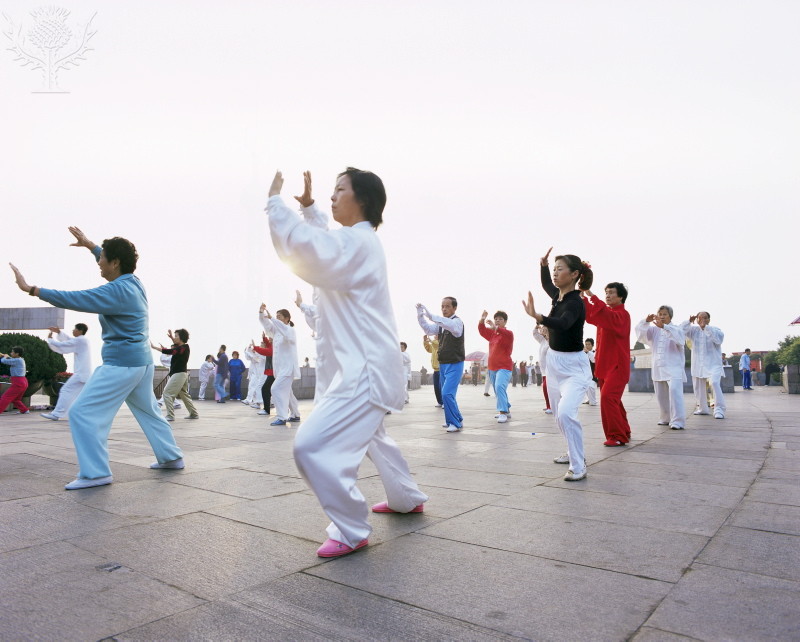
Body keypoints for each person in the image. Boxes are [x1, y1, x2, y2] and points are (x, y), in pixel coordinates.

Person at [266, 168, 427, 558]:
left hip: (365, 370)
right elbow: (328, 241)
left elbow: (313, 250)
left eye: (340, 190)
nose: (333, 196)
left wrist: (276, 204)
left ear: (364, 201)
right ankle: (407, 498)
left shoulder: (357, 243)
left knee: (310, 447)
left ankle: (351, 527)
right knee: (375, 438)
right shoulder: (360, 241)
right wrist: (310, 209)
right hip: (361, 365)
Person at [10, 227, 184, 489]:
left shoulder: (116, 292)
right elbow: (109, 258)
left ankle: (95, 473)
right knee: (149, 412)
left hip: (122, 364)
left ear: (115, 263)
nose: (99, 263)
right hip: (141, 362)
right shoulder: (132, 281)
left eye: (103, 259)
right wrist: (91, 245)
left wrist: (32, 289)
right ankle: (171, 458)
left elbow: (77, 298)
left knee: (82, 413)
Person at [523, 248, 592, 481]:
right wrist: (543, 265)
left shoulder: (575, 303)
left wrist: (539, 317)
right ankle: (574, 452)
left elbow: (563, 324)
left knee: (565, 413)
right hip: (554, 364)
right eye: (554, 269)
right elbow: (547, 285)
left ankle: (578, 465)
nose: (555, 274)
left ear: (573, 275)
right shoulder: (558, 296)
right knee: (558, 415)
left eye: (559, 269)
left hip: (574, 367)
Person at [582, 282, 632, 446]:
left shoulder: (622, 315)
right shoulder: (607, 314)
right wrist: (582, 298)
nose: (608, 295)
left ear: (621, 296)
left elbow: (605, 315)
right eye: (606, 293)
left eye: (611, 293)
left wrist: (592, 297)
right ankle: (624, 429)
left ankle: (617, 436)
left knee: (608, 398)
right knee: (614, 400)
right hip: (604, 366)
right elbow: (591, 315)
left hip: (617, 366)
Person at [417, 297, 465, 432]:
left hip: (455, 363)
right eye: (442, 306)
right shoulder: (441, 325)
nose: (444, 309)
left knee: (446, 394)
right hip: (443, 364)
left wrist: (431, 316)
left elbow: (446, 323)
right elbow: (427, 329)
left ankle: (454, 423)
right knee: (448, 394)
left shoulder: (457, 323)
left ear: (454, 308)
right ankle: (457, 418)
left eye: (447, 306)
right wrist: (420, 316)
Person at [636, 306, 686, 430]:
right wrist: (645, 321)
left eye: (665, 314)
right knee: (661, 395)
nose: (662, 316)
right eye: (660, 314)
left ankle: (678, 421)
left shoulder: (676, 328)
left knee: (675, 392)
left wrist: (664, 327)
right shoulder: (653, 330)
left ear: (670, 316)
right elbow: (640, 334)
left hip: (674, 367)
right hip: (658, 366)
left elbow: (680, 340)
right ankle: (665, 417)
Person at [259, 305, 301, 425]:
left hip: (288, 368)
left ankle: (282, 417)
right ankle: (296, 414)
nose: (277, 319)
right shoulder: (276, 332)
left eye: (279, 317)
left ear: (287, 319)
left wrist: (273, 319)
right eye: (276, 317)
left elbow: (285, 332)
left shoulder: (290, 330)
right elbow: (266, 325)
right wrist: (261, 313)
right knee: (288, 392)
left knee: (275, 388)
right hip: (280, 369)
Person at [42, 323, 92, 421]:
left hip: (80, 374)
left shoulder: (80, 340)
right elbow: (69, 340)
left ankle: (56, 414)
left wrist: (50, 339)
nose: (73, 330)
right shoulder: (82, 340)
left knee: (66, 391)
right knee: (76, 395)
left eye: (75, 329)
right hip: (84, 374)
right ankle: (77, 414)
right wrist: (59, 332)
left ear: (80, 331)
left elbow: (62, 345)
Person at [681, 312, 726, 419]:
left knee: (714, 383)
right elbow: (679, 331)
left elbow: (718, 340)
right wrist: (688, 321)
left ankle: (719, 409)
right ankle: (702, 408)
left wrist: (706, 327)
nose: (702, 320)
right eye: (699, 318)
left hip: (713, 363)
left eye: (705, 318)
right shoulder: (693, 331)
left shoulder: (716, 330)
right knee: (698, 386)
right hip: (698, 363)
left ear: (709, 319)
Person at [150, 328, 199, 422]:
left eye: (176, 336)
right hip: (182, 374)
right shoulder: (183, 347)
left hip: (179, 374)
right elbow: (176, 347)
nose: (174, 338)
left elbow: (172, 351)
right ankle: (194, 413)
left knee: (167, 393)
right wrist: (172, 337)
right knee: (184, 395)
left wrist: (154, 347)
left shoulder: (183, 348)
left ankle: (170, 415)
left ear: (181, 338)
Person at [478, 310, 514, 423]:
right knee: (498, 390)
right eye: (496, 319)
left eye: (500, 319)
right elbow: (482, 330)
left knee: (499, 387)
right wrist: (482, 319)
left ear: (505, 321)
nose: (497, 321)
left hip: (504, 367)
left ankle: (502, 412)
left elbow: (502, 332)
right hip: (492, 367)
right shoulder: (492, 334)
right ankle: (506, 409)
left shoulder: (509, 334)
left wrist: (495, 328)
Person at [0, 346, 29, 415]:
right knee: (16, 399)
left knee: (5, 397)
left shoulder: (18, 360)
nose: (11, 353)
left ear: (17, 354)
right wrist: (5, 356)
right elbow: (10, 359)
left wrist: (5, 357)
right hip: (23, 382)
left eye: (12, 352)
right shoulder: (20, 359)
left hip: (18, 382)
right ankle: (24, 410)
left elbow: (3, 361)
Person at [253, 334, 275, 416]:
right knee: (269, 390)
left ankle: (267, 409)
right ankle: (268, 408)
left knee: (265, 389)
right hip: (272, 372)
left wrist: (255, 347)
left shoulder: (275, 347)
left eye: (270, 337)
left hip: (274, 372)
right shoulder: (273, 345)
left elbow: (267, 351)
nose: (269, 339)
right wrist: (264, 338)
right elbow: (269, 346)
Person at [532, 326, 552, 414]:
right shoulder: (542, 340)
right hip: (543, 370)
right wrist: (536, 326)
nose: (543, 330)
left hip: (551, 370)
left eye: (545, 329)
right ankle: (549, 405)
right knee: (545, 388)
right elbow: (535, 334)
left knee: (546, 387)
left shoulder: (553, 341)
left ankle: (551, 406)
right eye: (542, 329)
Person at [243, 342, 266, 408]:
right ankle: (254, 401)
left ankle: (259, 402)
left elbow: (255, 358)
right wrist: (248, 350)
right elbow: (249, 357)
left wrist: (249, 351)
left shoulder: (262, 354)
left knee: (257, 388)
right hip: (256, 373)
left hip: (262, 374)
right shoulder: (258, 353)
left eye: (262, 345)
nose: (260, 346)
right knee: (253, 387)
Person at [423, 335, 443, 407]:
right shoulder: (434, 344)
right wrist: (425, 341)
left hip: (442, 369)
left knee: (442, 387)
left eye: (436, 334)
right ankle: (440, 402)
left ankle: (444, 402)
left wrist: (431, 341)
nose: (435, 336)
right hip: (435, 369)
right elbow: (428, 349)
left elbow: (436, 344)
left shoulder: (441, 343)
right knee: (436, 387)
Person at [582, 338, 598, 406]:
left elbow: (593, 360)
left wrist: (588, 352)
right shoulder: (583, 353)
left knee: (590, 386)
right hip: (585, 374)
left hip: (594, 375)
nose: (587, 346)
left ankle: (593, 401)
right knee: (585, 387)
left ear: (592, 345)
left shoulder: (595, 353)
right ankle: (589, 399)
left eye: (589, 344)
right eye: (586, 344)